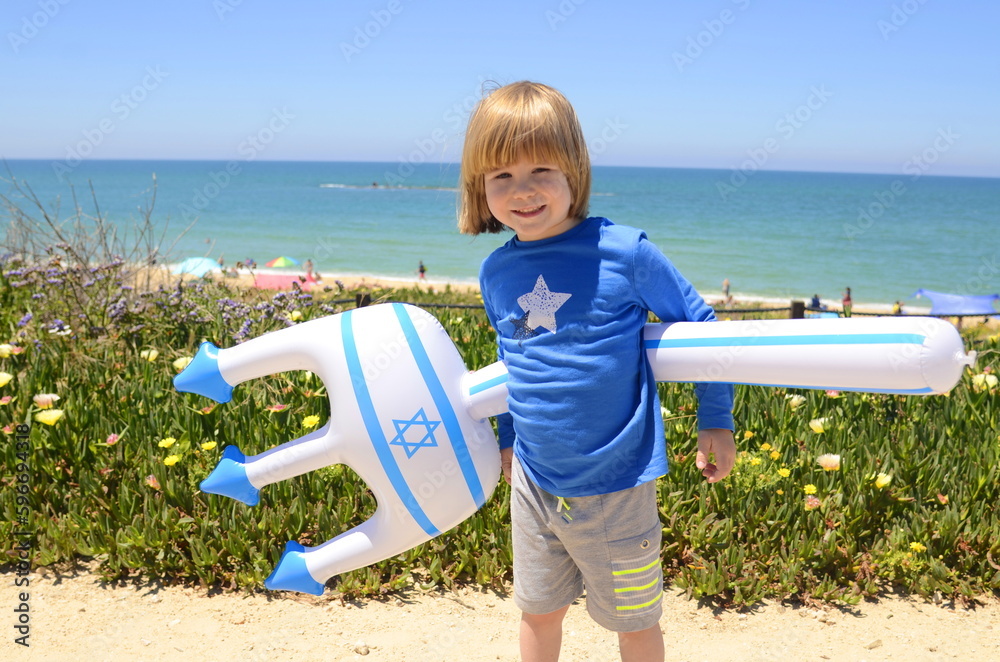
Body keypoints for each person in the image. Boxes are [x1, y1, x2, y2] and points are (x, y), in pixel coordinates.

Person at [457, 81, 736, 662]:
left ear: (575, 172)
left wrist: (715, 419)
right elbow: (514, 363)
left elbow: (703, 323)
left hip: (618, 483)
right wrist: (508, 444)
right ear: (479, 188)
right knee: (536, 613)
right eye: (501, 176)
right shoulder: (496, 272)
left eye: (541, 170)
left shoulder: (625, 252)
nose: (523, 190)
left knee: (634, 622)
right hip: (534, 483)